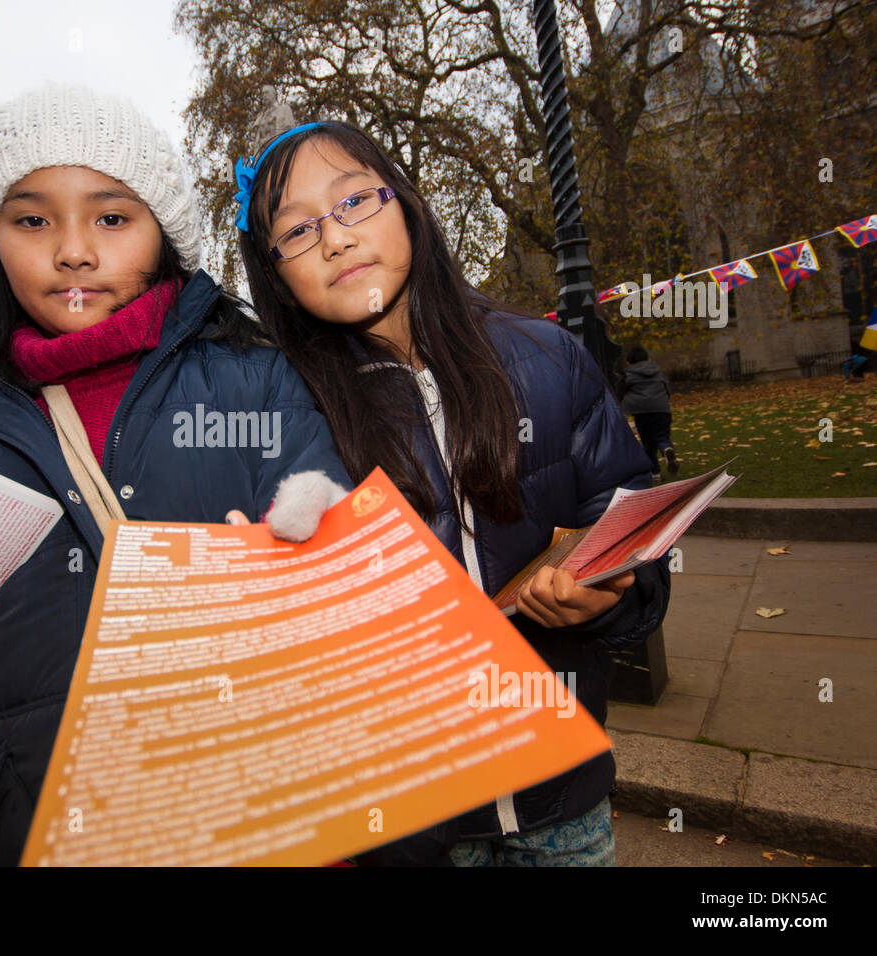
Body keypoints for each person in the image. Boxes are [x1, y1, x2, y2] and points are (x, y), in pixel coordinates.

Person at [0, 84, 351, 866]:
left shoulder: (261, 383)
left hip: (255, 816)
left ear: (162, 235)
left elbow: (342, 621)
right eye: (32, 218)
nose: (73, 250)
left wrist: (319, 568)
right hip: (32, 826)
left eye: (111, 217)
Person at [231, 119, 671, 866]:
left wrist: (616, 591)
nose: (335, 239)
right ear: (275, 275)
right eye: (297, 231)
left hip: (561, 797)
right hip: (403, 821)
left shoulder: (546, 355)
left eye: (353, 202)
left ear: (405, 204)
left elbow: (629, 521)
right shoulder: (285, 412)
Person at [620, 345, 678, 477]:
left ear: (629, 361)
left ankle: (655, 471)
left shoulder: (628, 374)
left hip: (641, 412)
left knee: (647, 442)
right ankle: (666, 449)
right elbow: (667, 389)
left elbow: (621, 391)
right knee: (662, 436)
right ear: (648, 358)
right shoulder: (658, 371)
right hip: (661, 410)